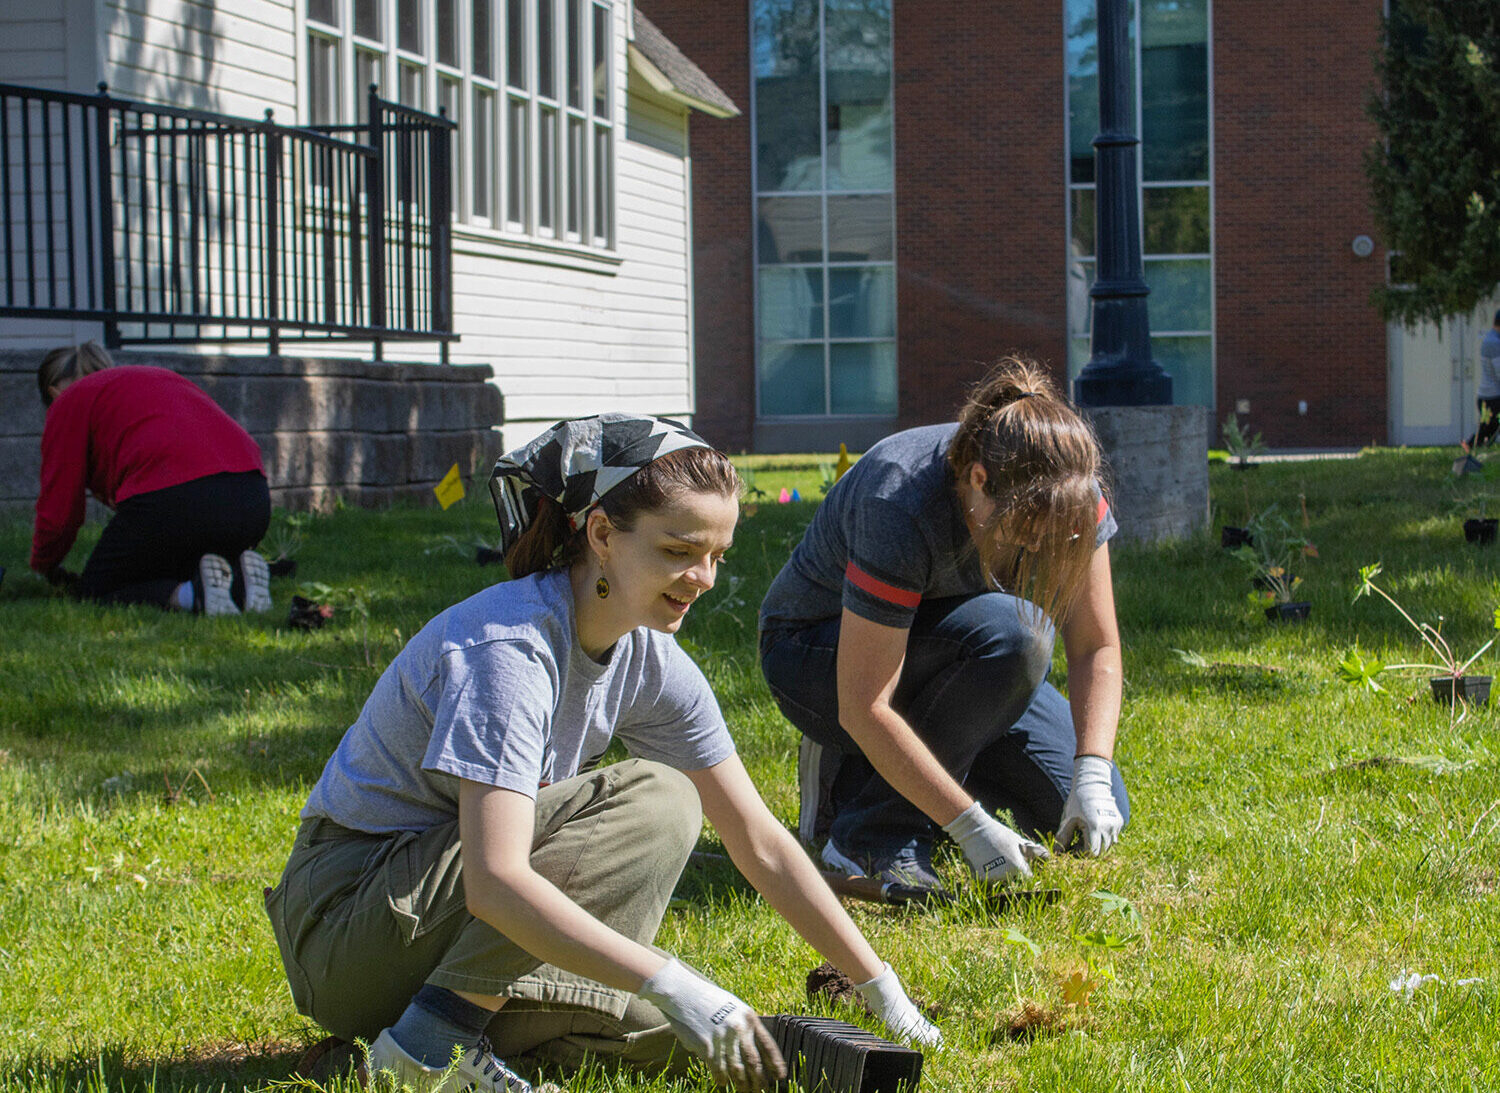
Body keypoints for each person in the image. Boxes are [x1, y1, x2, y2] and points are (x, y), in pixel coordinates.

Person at [265, 414, 940, 1093]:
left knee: (653, 1022)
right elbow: (496, 881)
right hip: (346, 928)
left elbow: (759, 840)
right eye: (679, 550)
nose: (703, 577)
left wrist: (882, 989)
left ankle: (439, 1037)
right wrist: (671, 976)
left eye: (717, 556)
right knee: (659, 800)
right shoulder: (510, 650)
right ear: (602, 535)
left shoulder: (649, 657)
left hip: (430, 935)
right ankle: (424, 1050)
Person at [758, 357, 1130, 892]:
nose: (1037, 548)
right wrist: (971, 826)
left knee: (1092, 808)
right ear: (978, 480)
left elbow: (1096, 645)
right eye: (1025, 531)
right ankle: (868, 831)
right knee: (1019, 636)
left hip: (958, 655)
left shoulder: (1072, 494)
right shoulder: (901, 500)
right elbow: (864, 705)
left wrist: (1091, 773)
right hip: (818, 656)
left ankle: (912, 768)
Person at [30, 343, 272, 615]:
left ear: (53, 394)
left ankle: (193, 595)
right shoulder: (150, 379)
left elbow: (60, 512)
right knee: (169, 561)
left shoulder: (68, 401)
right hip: (253, 498)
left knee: (97, 588)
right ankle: (239, 583)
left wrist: (43, 566)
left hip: (179, 498)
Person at [1462, 308, 1500, 453]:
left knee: (1487, 430)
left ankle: (1469, 448)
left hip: (1488, 397)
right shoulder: (1493, 343)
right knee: (1487, 431)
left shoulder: (1492, 339)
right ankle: (1469, 449)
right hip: (1493, 398)